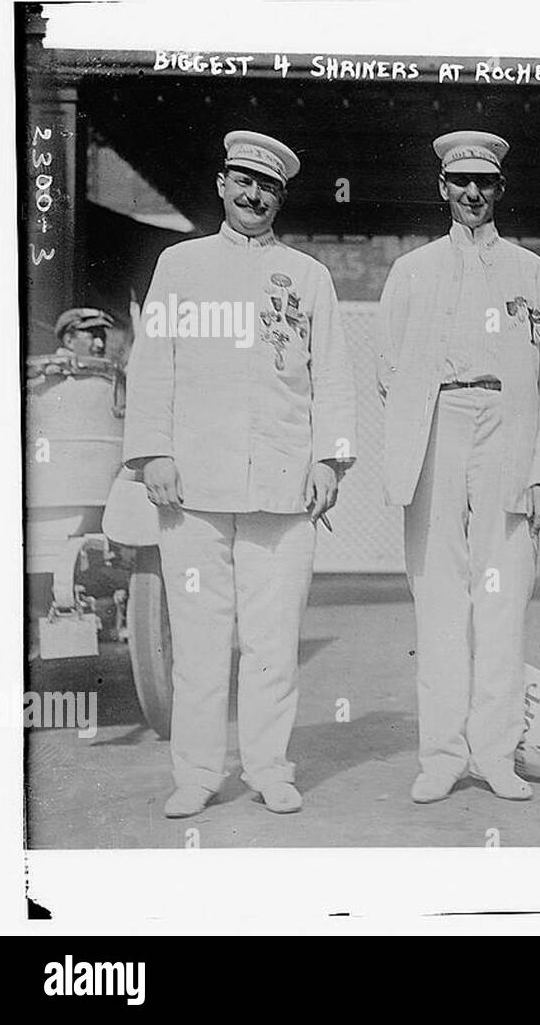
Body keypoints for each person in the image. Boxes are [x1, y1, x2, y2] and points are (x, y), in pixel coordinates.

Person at [124, 130, 357, 819]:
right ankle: (197, 773)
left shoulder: (309, 275)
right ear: (222, 184)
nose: (255, 195)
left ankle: (268, 767)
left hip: (282, 488)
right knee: (198, 641)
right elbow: (153, 364)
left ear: (281, 196)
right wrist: (153, 453)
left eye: (269, 186)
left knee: (273, 641)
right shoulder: (180, 266)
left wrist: (328, 458)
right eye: (243, 181)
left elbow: (334, 375)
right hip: (190, 488)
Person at [376, 130, 540, 805]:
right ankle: (441, 756)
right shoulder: (412, 270)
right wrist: (415, 422)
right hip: (438, 424)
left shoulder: (534, 273)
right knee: (439, 600)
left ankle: (494, 754)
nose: (472, 194)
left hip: (508, 428)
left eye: (484, 183)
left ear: (500, 190)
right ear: (442, 189)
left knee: (502, 596)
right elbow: (388, 364)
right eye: (461, 182)